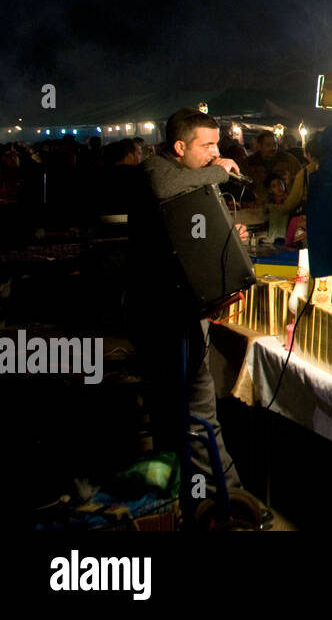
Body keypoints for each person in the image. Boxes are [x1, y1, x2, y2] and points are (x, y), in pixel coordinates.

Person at [125, 107, 257, 512]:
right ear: (179, 146)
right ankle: (223, 499)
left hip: (183, 310)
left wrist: (226, 234)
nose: (216, 153)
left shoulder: (185, 175)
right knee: (194, 412)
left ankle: (185, 497)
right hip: (164, 316)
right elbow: (164, 188)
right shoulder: (156, 170)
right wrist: (222, 170)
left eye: (218, 144)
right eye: (208, 145)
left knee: (182, 412)